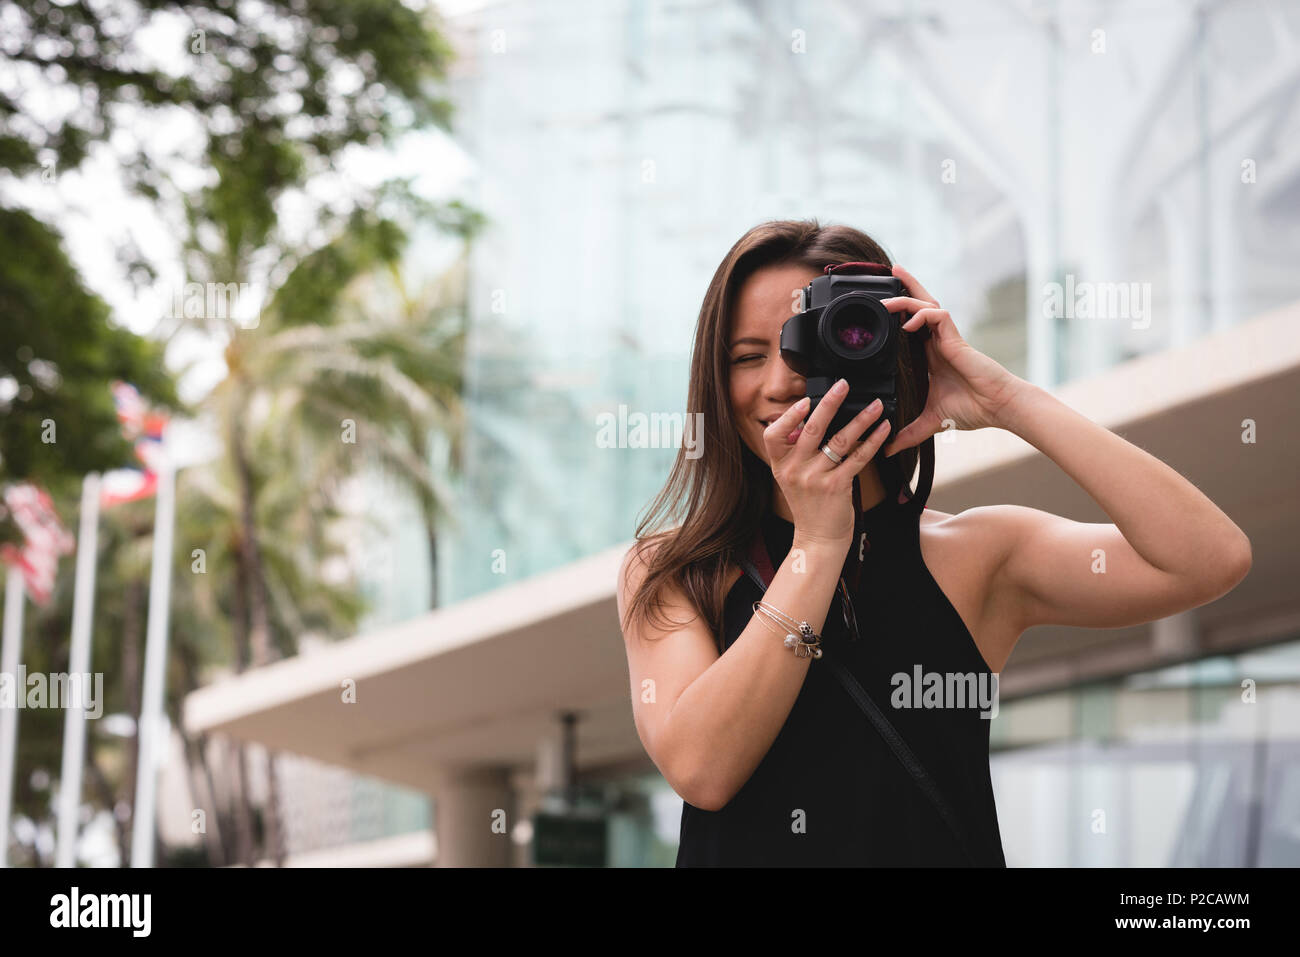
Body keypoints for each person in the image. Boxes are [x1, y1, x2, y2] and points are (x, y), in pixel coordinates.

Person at [615, 219, 1253, 866]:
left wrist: (1006, 399)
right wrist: (818, 541)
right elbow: (702, 769)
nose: (779, 381)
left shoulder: (976, 554)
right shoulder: (675, 569)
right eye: (746, 357)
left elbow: (1208, 558)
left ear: (887, 350)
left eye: (814, 345)